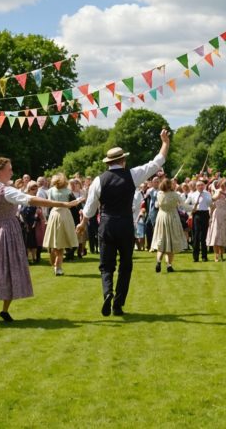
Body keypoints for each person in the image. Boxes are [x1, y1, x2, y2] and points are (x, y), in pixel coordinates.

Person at [0, 158, 81, 323]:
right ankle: (3, 311)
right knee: (9, 269)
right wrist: (62, 203)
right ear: (0, 170)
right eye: (9, 169)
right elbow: (30, 200)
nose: (11, 172)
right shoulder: (5, 191)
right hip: (7, 231)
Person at [76, 129, 170, 317]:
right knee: (126, 265)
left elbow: (90, 207)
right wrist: (165, 143)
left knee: (106, 264)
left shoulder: (98, 180)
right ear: (123, 160)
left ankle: (107, 291)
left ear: (108, 162)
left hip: (107, 224)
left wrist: (83, 223)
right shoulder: (132, 175)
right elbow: (156, 163)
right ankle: (118, 304)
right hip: (126, 224)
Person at [43, 173, 79, 276]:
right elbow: (73, 205)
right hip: (64, 215)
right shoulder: (68, 192)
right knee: (61, 244)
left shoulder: (50, 191)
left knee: (55, 242)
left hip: (54, 214)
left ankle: (56, 265)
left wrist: (47, 218)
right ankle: (57, 267)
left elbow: (48, 206)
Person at [150, 178, 188, 272]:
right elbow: (183, 205)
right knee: (171, 242)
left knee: (161, 241)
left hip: (161, 217)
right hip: (172, 217)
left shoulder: (159, 194)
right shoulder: (175, 195)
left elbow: (156, 205)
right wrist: (194, 208)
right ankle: (169, 265)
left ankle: (159, 261)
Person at [206, 179, 226, 262]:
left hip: (225, 214)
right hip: (217, 214)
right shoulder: (216, 192)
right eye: (222, 184)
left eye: (225, 184)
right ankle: (216, 255)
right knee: (216, 235)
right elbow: (212, 200)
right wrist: (217, 193)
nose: (223, 186)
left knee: (223, 234)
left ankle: (222, 255)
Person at [185, 181, 212, 262]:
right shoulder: (192, 194)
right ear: (196, 187)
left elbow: (210, 203)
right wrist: (192, 208)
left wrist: (205, 197)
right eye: (198, 185)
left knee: (203, 236)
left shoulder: (207, 194)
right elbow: (185, 204)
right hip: (196, 214)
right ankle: (195, 257)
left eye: (202, 185)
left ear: (204, 186)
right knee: (196, 236)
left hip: (205, 214)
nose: (200, 186)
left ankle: (204, 256)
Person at [19, 181, 42, 264]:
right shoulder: (24, 198)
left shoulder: (37, 199)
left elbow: (38, 211)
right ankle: (27, 259)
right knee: (26, 240)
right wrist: (24, 223)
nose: (34, 190)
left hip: (34, 222)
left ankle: (34, 258)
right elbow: (20, 211)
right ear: (28, 189)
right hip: (25, 222)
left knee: (34, 240)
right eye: (32, 189)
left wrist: (35, 222)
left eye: (36, 189)